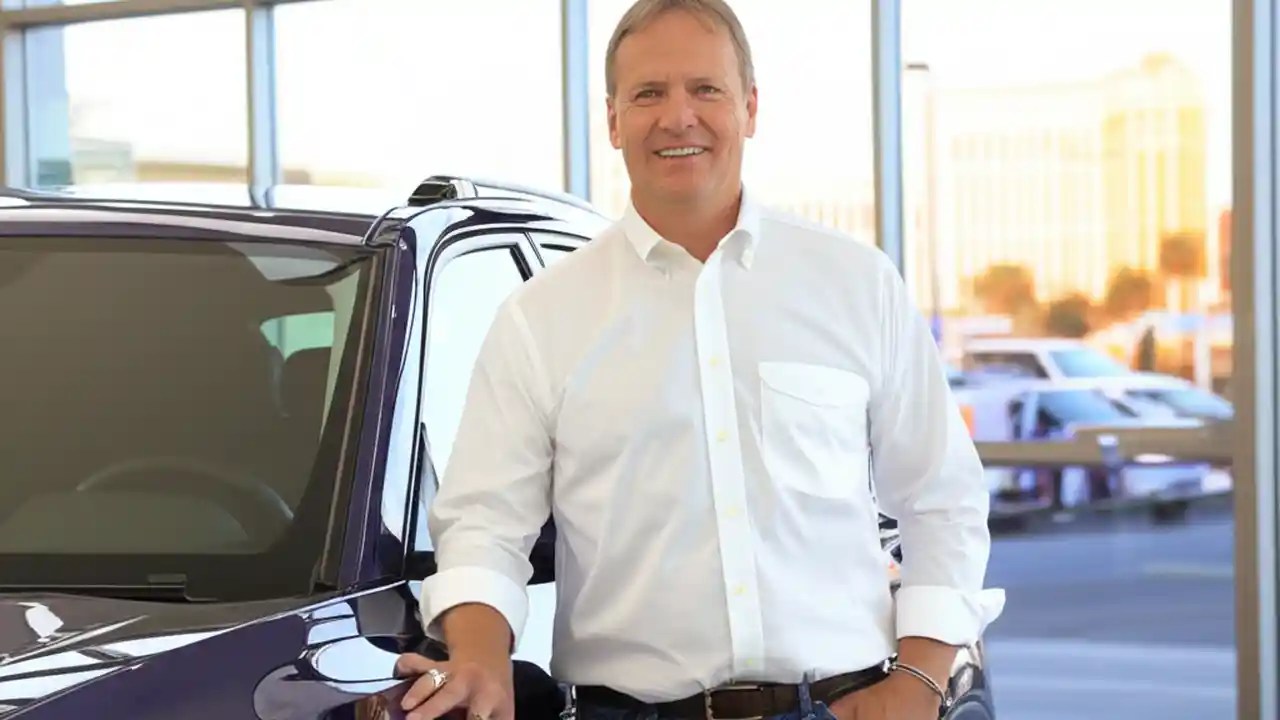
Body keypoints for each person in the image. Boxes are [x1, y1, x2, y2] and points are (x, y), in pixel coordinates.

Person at [394, 1, 1005, 719]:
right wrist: (480, 657)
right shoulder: (540, 319)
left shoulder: (855, 284)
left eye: (704, 89)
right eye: (648, 93)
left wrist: (921, 684)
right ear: (614, 120)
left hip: (841, 702)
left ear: (749, 107)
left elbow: (942, 498)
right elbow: (483, 526)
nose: (677, 116)